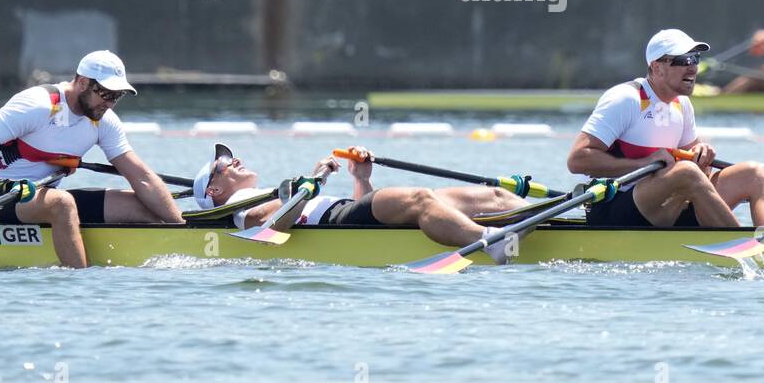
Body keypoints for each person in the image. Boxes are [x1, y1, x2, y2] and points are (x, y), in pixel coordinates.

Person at [0, 50, 182, 267]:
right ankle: (79, 284)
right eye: (105, 94)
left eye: (117, 96)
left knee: (140, 206)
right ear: (82, 82)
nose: (110, 103)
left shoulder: (104, 120)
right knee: (63, 203)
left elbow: (141, 177)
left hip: (39, 196)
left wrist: (184, 227)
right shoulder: (38, 104)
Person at [565, 29, 764, 228]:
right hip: (616, 209)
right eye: (683, 60)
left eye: (695, 59)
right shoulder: (626, 99)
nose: (693, 67)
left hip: (667, 207)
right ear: (657, 67)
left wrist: (702, 153)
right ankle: (745, 246)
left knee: (757, 173)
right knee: (685, 172)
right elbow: (577, 160)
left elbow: (700, 172)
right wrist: (643, 163)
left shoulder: (682, 104)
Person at [192, 144, 529, 260]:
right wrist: (316, 180)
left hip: (349, 212)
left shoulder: (256, 192)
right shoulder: (239, 207)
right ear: (213, 191)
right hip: (336, 220)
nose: (233, 160)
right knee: (420, 198)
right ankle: (488, 243)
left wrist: (361, 177)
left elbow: (364, 210)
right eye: (223, 163)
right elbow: (277, 225)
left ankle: (555, 213)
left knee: (488, 194)